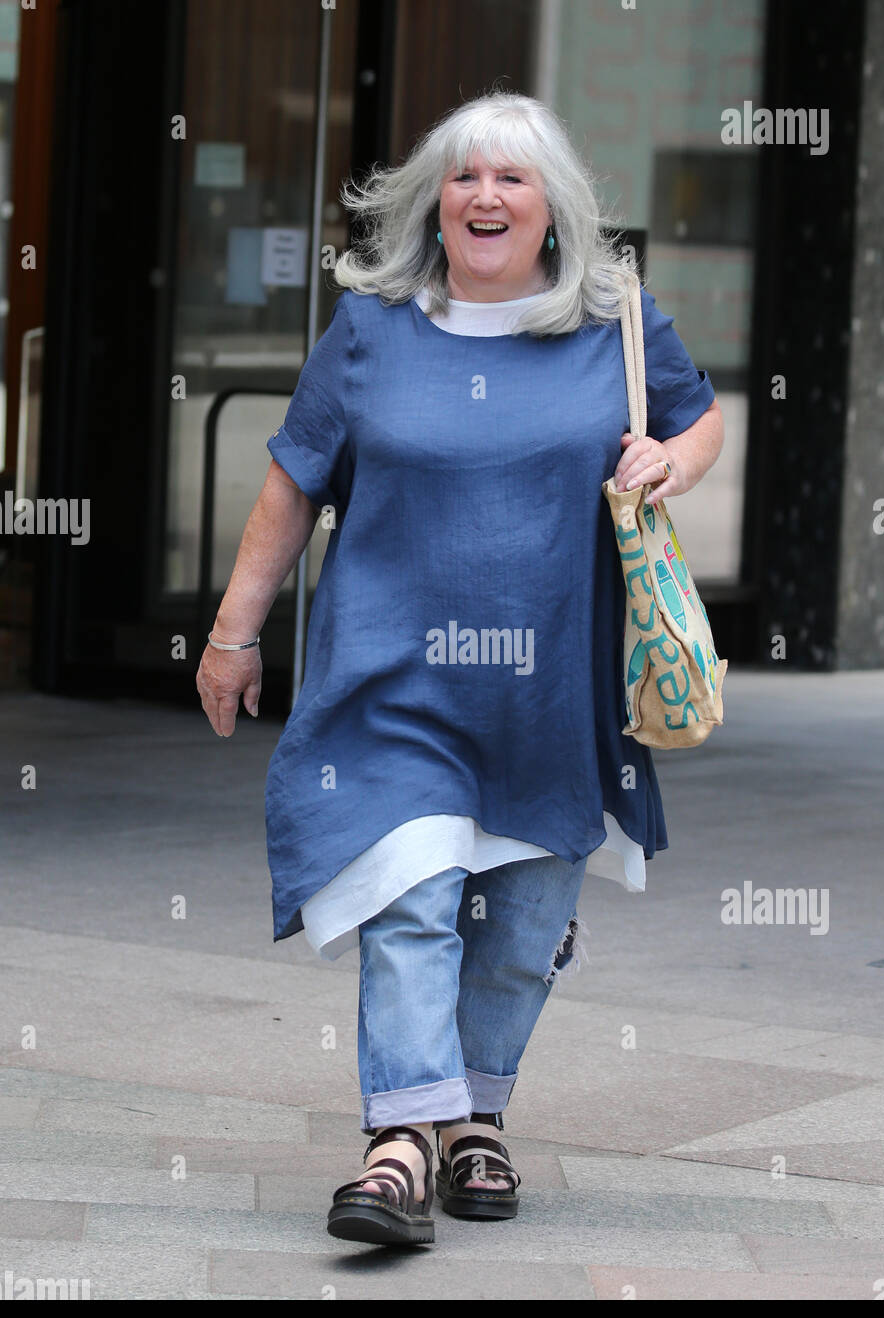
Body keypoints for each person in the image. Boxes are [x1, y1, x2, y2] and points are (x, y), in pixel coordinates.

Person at [196, 91, 724, 1246]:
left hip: (551, 693)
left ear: (552, 209)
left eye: (511, 179)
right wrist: (235, 633)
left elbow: (698, 421)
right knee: (412, 900)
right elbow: (291, 481)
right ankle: (397, 1149)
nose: (484, 196)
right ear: (436, 201)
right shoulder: (372, 329)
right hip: (393, 685)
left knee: (517, 920)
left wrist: (669, 463)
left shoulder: (612, 319)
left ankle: (474, 1116)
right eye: (464, 177)